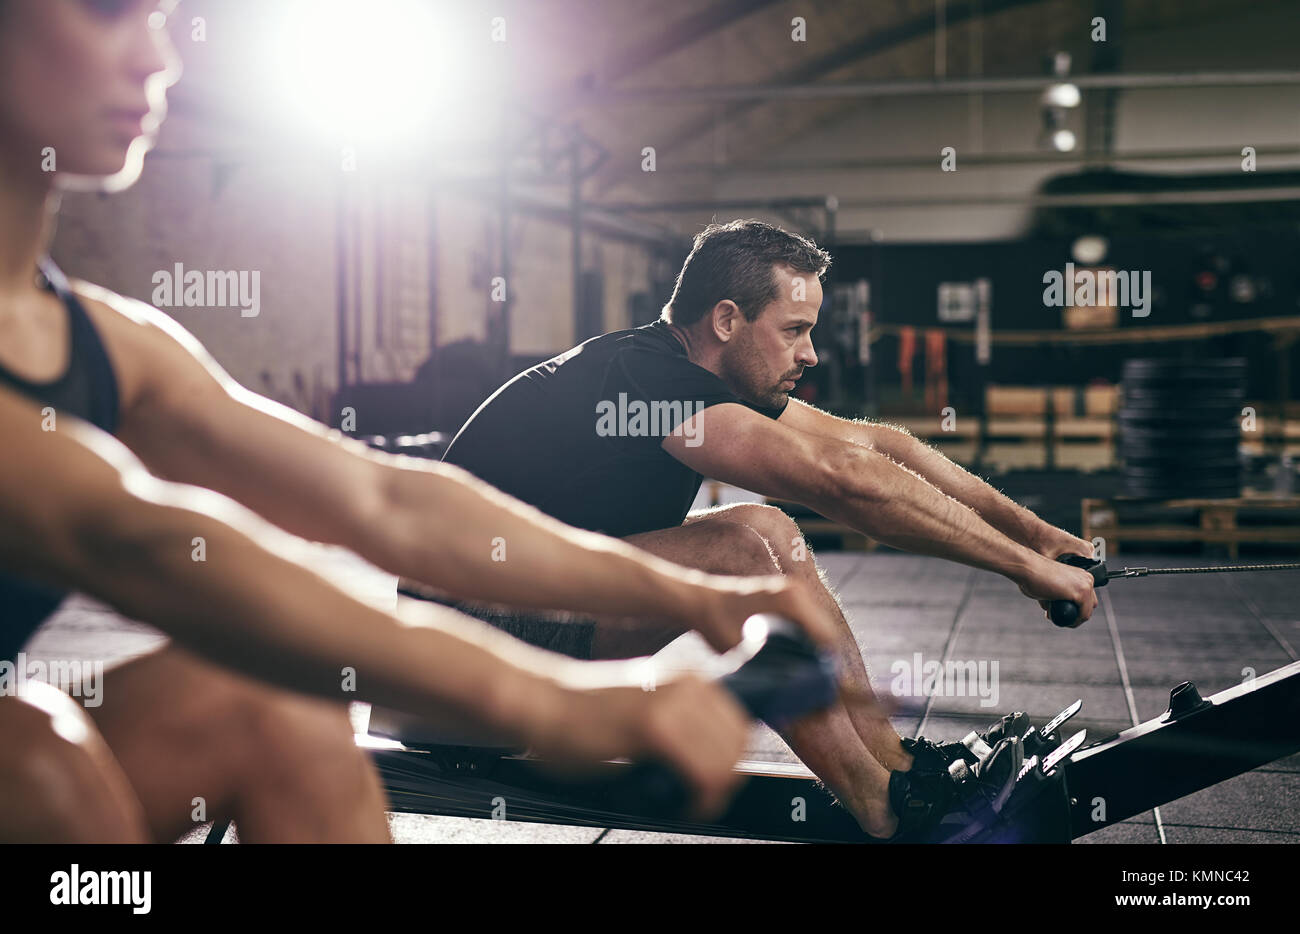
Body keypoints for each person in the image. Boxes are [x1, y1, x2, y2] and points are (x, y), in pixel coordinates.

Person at [0, 0, 831, 843]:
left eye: (162, 17)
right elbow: (142, 545)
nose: (160, 60)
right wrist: (560, 703)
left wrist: (690, 595)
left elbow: (383, 499)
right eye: (109, 11)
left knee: (284, 708)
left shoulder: (106, 343)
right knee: (37, 756)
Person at [439, 218, 1102, 840]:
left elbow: (879, 448)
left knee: (767, 529)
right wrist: (1026, 571)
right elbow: (841, 479)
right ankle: (884, 810)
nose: (810, 354)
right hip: (465, 643)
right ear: (728, 319)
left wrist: (1033, 533)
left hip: (541, 597)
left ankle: (899, 771)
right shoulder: (641, 379)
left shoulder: (683, 370)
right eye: (794, 331)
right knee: (737, 552)